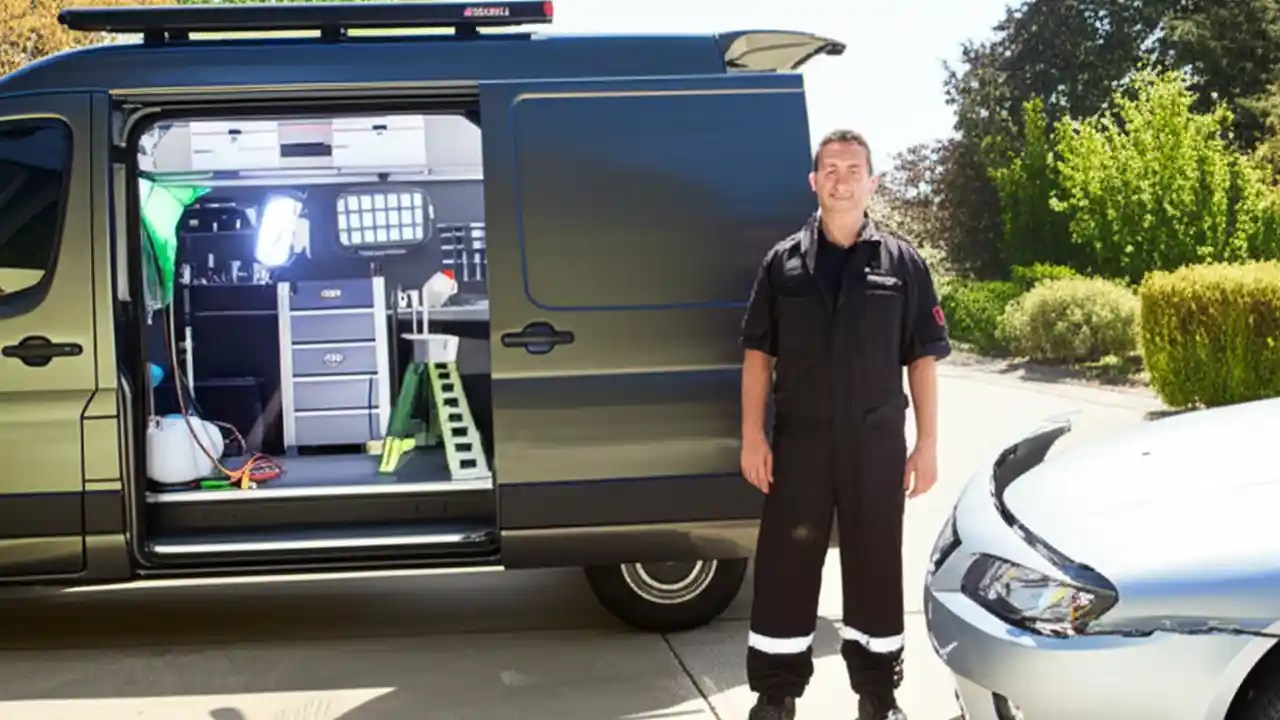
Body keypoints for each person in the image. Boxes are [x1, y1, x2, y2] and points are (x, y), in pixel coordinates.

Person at [738, 129, 951, 720]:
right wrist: (752, 435)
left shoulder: (902, 263)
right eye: (830, 168)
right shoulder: (782, 264)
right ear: (814, 182)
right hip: (799, 444)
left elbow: (923, 359)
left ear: (872, 181)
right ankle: (775, 695)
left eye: (852, 168)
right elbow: (758, 355)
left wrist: (927, 444)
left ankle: (877, 696)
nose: (841, 177)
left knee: (876, 564)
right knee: (785, 564)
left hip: (875, 445)